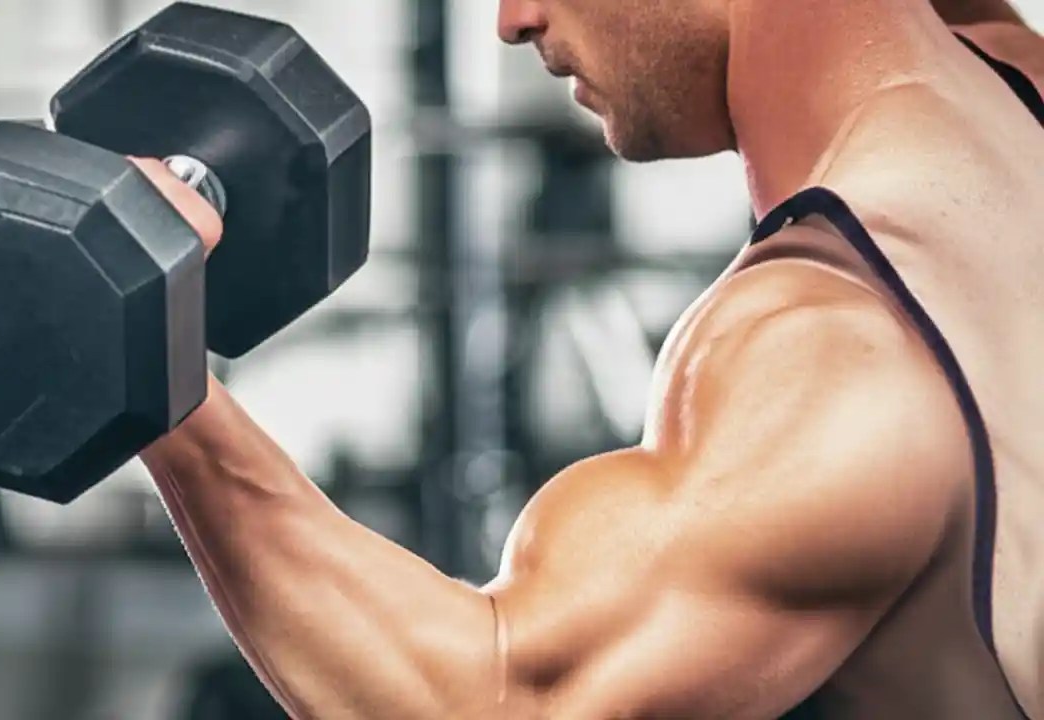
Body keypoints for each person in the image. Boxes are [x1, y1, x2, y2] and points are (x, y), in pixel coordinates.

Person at [129, 0, 1044, 716]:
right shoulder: (1013, 80)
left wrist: (149, 356)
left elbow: (490, 698)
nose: (514, 19)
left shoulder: (828, 354)